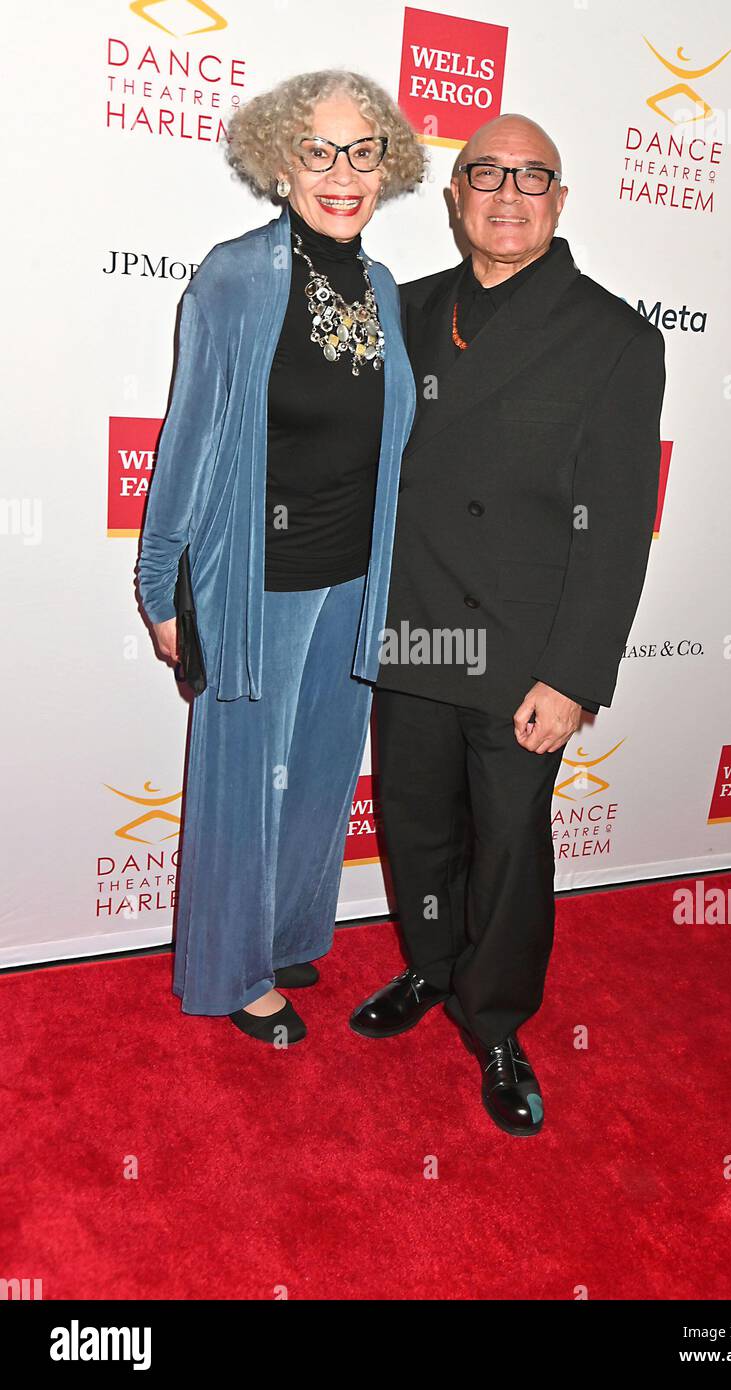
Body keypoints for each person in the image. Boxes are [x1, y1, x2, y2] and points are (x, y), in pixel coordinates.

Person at [349, 113, 666, 1136]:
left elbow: (618, 530)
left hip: (523, 650)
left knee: (510, 848)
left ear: (561, 201)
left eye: (535, 177)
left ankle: (494, 1022)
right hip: (413, 625)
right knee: (419, 823)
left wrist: (574, 675)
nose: (509, 193)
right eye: (486, 174)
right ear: (455, 199)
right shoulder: (406, 308)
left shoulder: (613, 336)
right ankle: (431, 969)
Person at [136, 70, 423, 1045]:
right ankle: (231, 968)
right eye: (319, 151)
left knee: (324, 772)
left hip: (353, 578)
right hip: (256, 581)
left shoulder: (383, 289)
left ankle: (293, 928)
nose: (342, 174)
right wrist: (159, 579)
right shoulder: (236, 276)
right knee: (242, 781)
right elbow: (188, 434)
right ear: (280, 163)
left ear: (387, 164)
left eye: (362, 151)